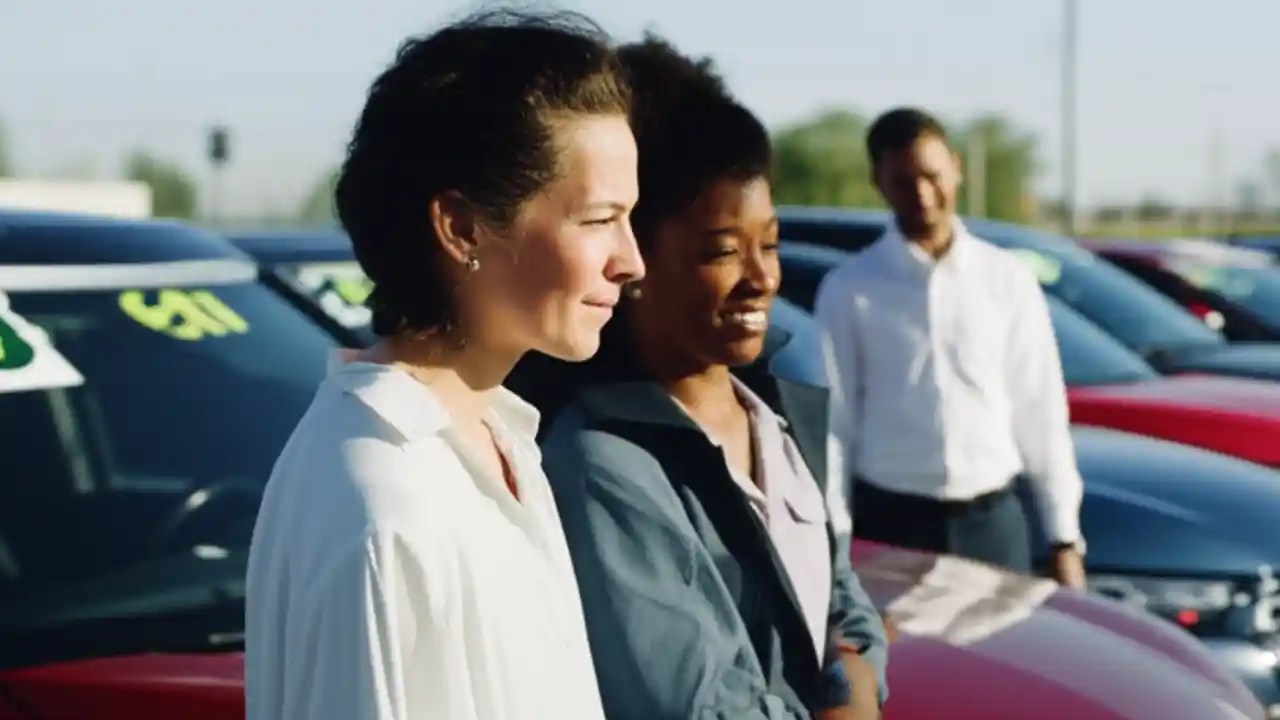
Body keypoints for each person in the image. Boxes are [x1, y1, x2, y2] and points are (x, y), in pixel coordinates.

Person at [244, 10, 644, 720]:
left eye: (629, 217)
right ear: (461, 227)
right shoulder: (384, 498)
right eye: (596, 219)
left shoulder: (499, 439)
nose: (631, 261)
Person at [532, 37, 887, 720]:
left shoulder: (779, 418)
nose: (762, 278)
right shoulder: (604, 462)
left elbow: (844, 604)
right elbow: (688, 702)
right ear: (635, 258)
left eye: (771, 244)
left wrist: (856, 674)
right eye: (722, 251)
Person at [813, 107, 1087, 587]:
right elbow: (834, 424)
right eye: (902, 180)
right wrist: (836, 540)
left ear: (955, 167)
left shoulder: (1007, 279)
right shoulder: (850, 289)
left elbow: (1040, 411)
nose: (921, 193)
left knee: (1005, 662)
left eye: (932, 175)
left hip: (994, 528)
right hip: (892, 528)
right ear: (878, 181)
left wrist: (1064, 537)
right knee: (898, 665)